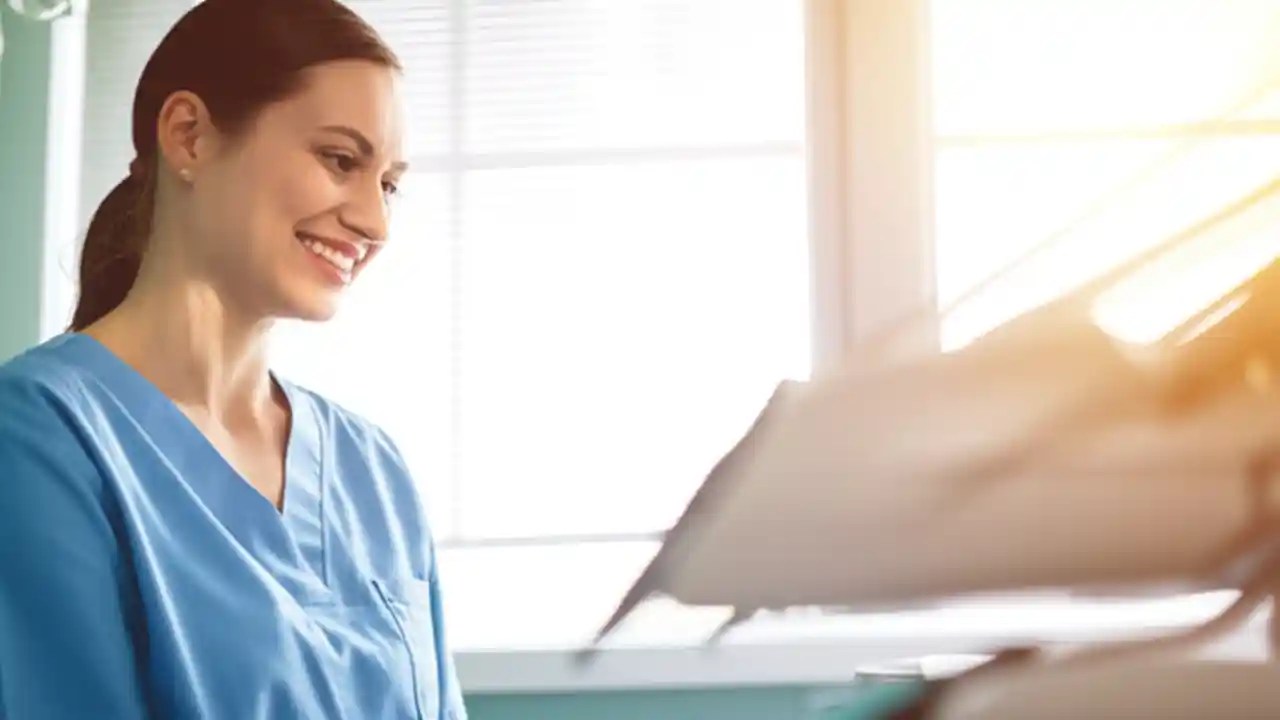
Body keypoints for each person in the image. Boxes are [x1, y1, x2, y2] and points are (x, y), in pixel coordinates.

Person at [0, 1, 466, 717]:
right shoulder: (39, 440)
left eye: (389, 184)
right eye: (340, 160)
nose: (375, 222)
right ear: (189, 137)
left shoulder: (376, 475)